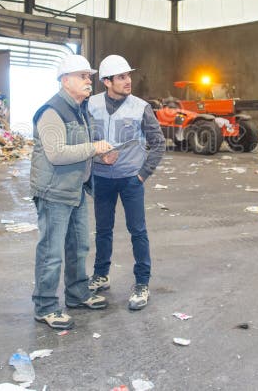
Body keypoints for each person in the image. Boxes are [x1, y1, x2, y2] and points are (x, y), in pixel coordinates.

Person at [30, 54, 115, 330]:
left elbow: (83, 146)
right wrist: (94, 149)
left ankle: (77, 294)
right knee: (51, 252)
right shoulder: (51, 111)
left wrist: (102, 155)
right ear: (65, 81)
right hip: (54, 192)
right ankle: (45, 305)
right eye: (82, 76)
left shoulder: (81, 109)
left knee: (79, 246)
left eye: (89, 76)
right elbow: (56, 154)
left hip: (75, 188)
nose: (88, 81)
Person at [87, 55, 165, 310]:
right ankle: (101, 275)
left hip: (131, 179)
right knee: (103, 230)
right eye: (121, 77)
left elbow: (158, 144)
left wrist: (142, 174)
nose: (128, 80)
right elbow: (83, 139)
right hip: (102, 178)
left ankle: (142, 283)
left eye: (128, 76)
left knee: (138, 231)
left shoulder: (141, 107)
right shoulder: (90, 105)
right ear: (107, 82)